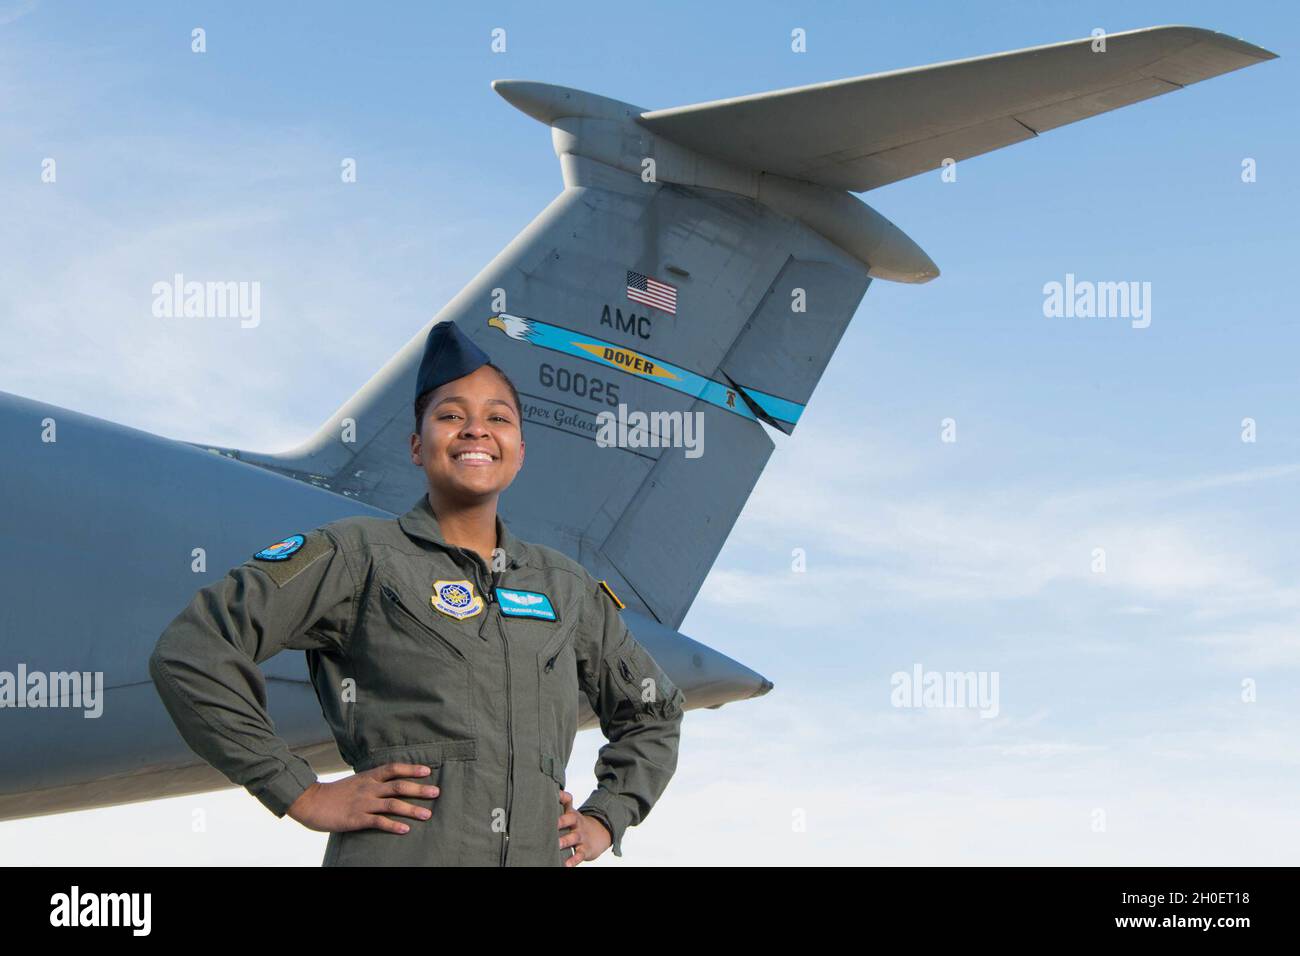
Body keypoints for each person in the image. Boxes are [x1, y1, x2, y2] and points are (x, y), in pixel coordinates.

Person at [148, 319, 686, 866]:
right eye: (451, 416)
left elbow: (654, 710)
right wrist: (301, 793)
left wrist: (605, 815)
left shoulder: (565, 587)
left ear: (519, 452)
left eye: (497, 418)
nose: (476, 430)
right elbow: (193, 649)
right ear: (415, 446)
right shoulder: (356, 556)